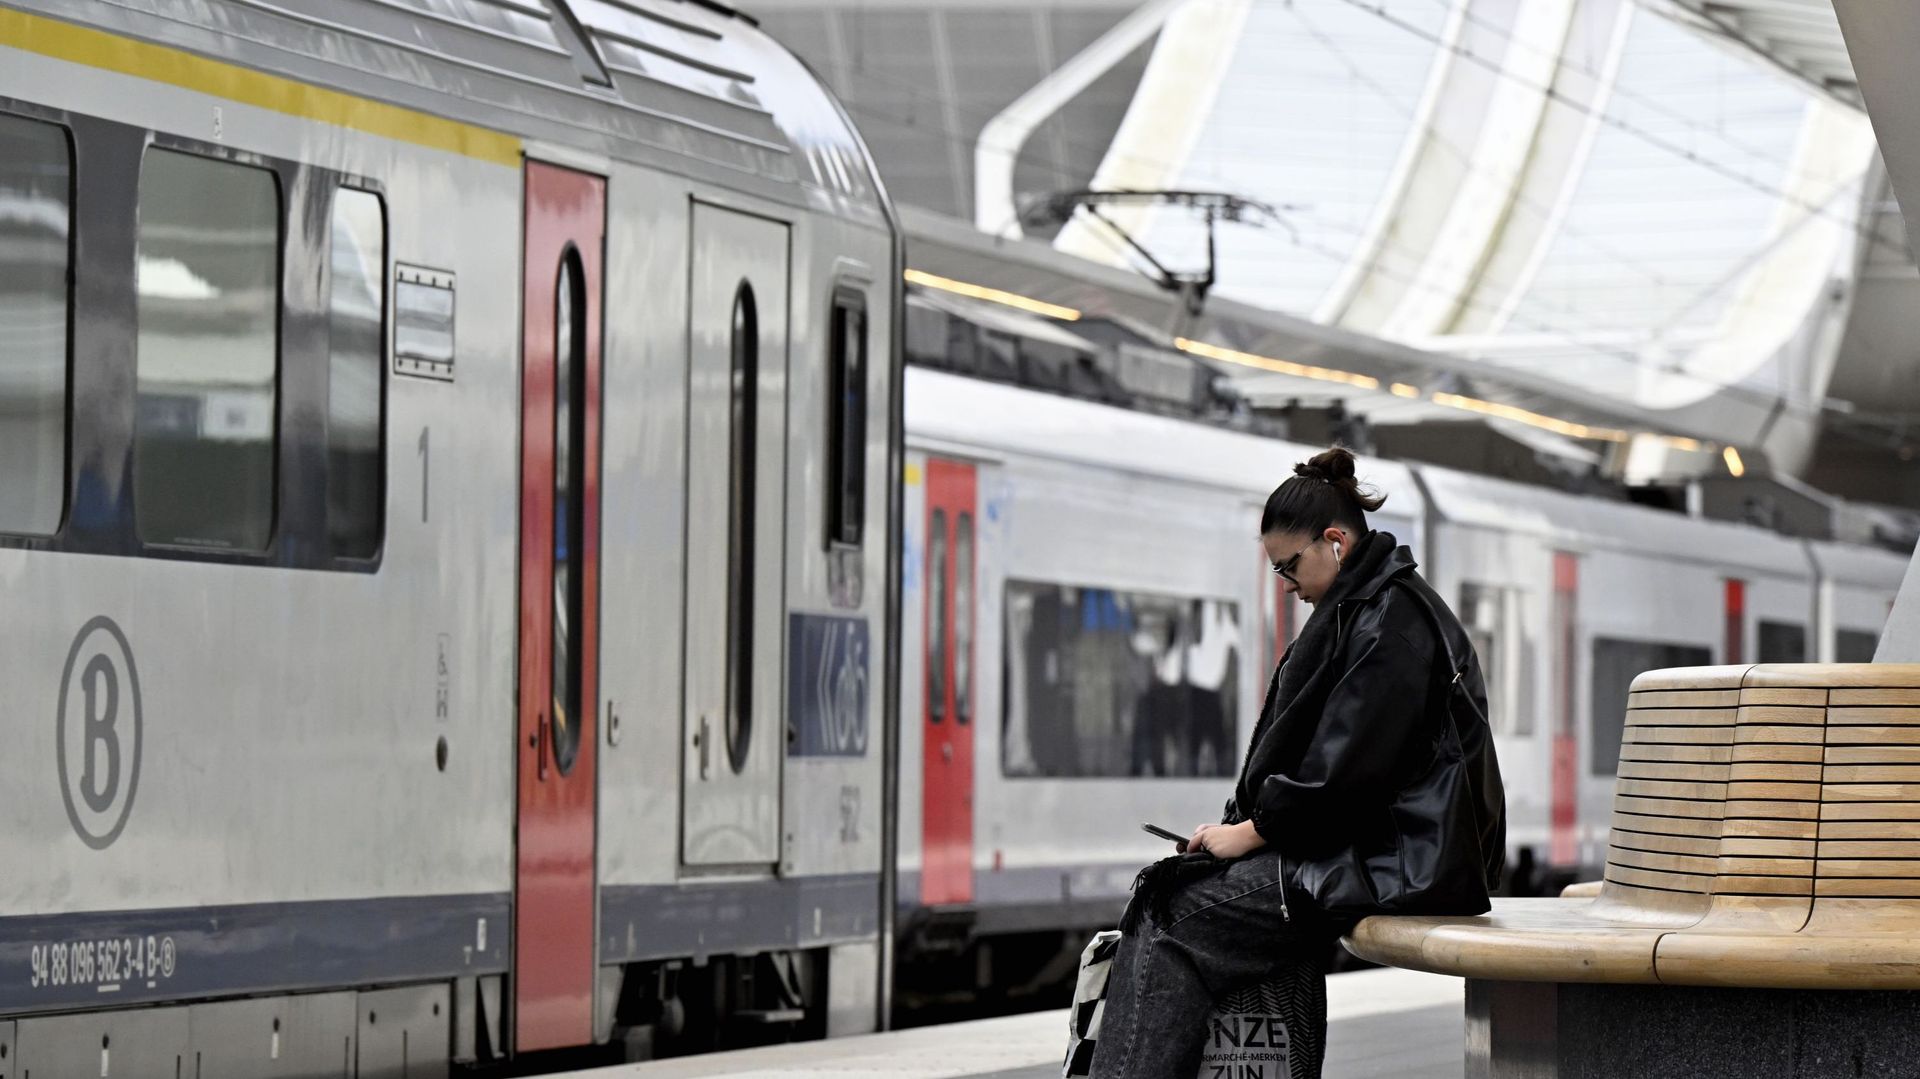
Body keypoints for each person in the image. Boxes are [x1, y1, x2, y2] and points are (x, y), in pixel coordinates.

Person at [1088, 446, 1506, 1078]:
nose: (1288, 588)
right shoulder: (1371, 607)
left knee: (1171, 915)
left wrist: (1252, 833)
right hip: (1375, 846)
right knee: (1186, 902)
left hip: (1400, 860)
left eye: (1290, 568)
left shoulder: (1391, 626)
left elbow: (1344, 776)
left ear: (1334, 541)